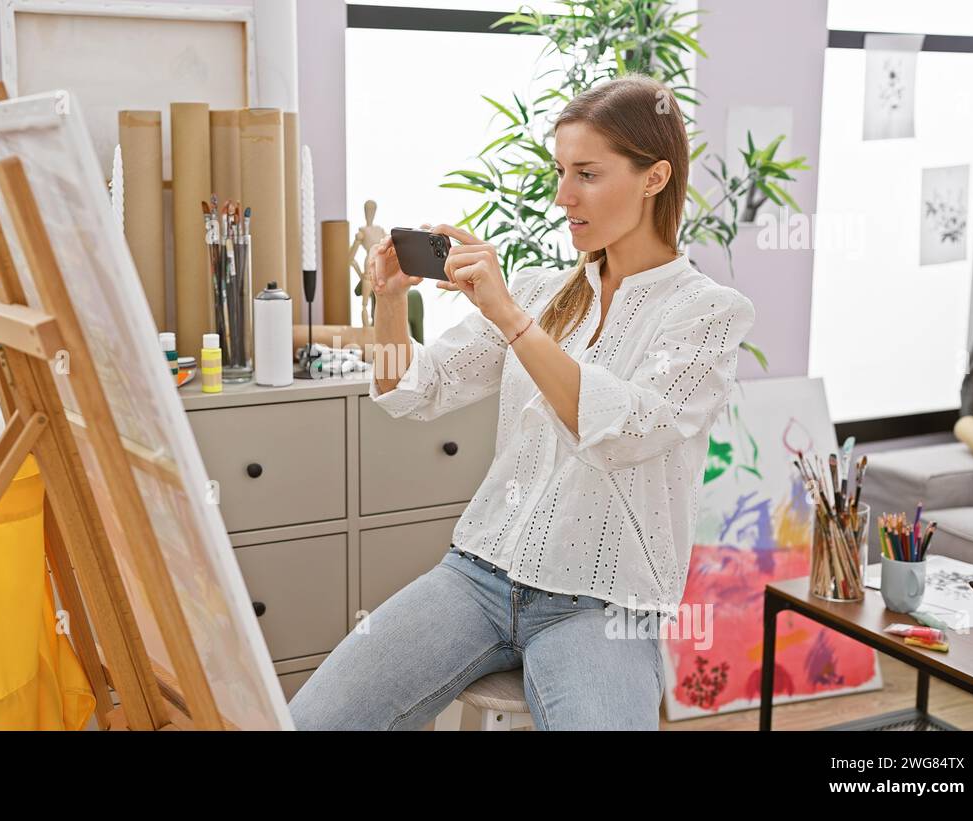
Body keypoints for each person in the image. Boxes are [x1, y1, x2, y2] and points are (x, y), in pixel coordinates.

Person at [289, 73, 756, 731]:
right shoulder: (539, 292)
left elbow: (624, 431)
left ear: (654, 178)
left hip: (601, 607)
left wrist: (510, 317)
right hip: (476, 577)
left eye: (587, 174)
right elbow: (411, 389)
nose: (564, 196)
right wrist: (389, 300)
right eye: (561, 171)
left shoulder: (708, 314)